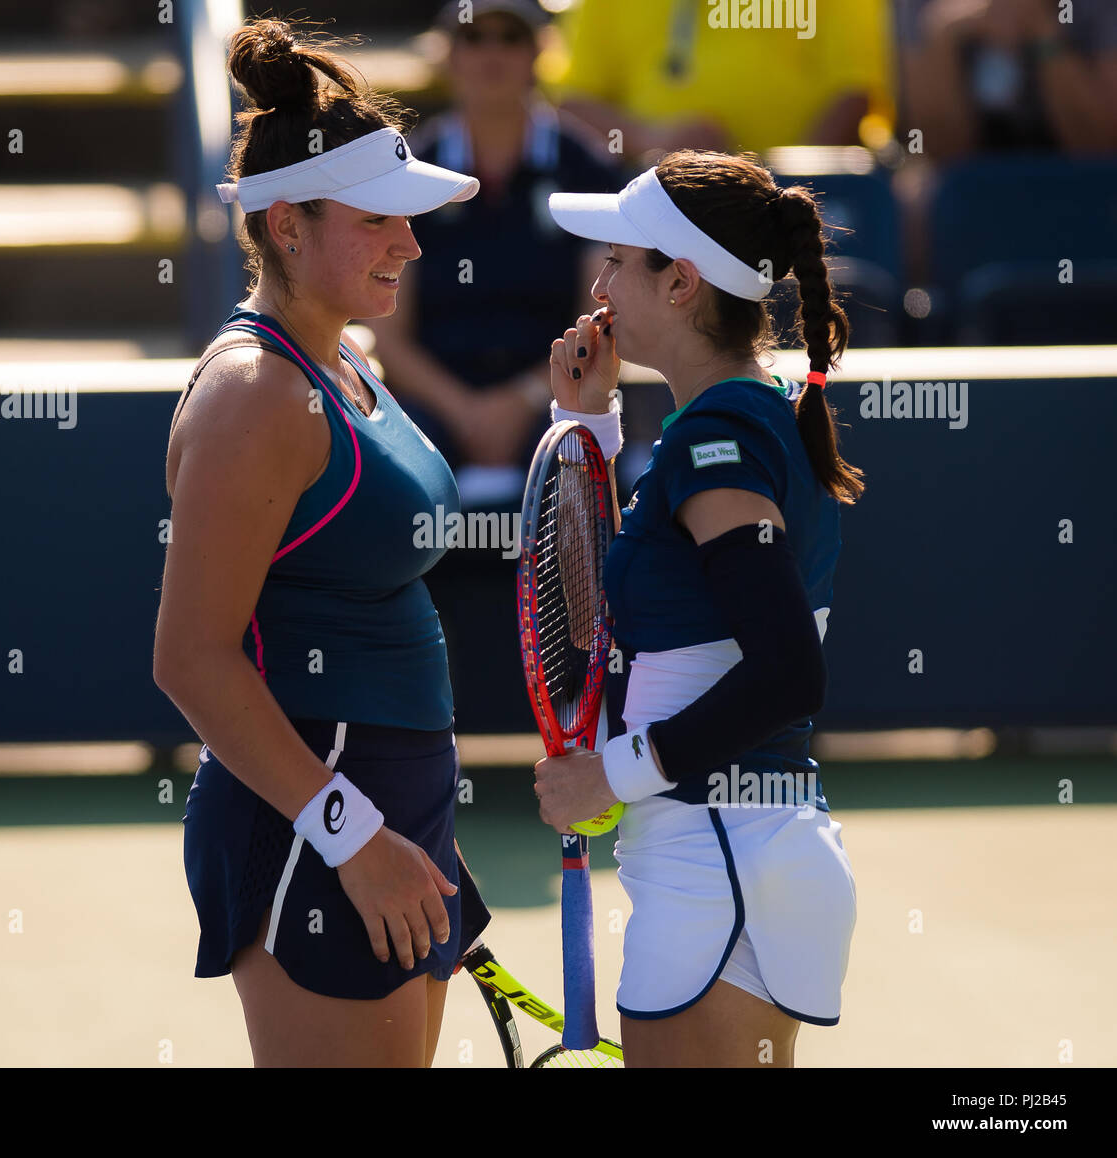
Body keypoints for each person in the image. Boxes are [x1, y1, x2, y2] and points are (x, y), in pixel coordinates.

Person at [153, 17, 490, 1068]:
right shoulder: (256, 395)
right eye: (377, 219)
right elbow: (190, 658)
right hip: (322, 815)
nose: (410, 244)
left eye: (407, 217)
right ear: (286, 227)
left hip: (385, 799)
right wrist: (348, 831)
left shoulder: (348, 360)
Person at [532, 150, 860, 1066]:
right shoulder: (749, 415)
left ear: (680, 283)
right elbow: (631, 612)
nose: (598, 286)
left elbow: (788, 674)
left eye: (617, 262)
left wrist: (612, 775)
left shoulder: (718, 438)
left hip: (717, 862)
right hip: (747, 852)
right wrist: (591, 426)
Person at [368, 0, 626, 510]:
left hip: (555, 400)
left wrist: (522, 402)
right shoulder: (413, 169)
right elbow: (389, 335)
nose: (492, 54)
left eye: (510, 37)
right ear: (449, 55)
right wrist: (463, 410)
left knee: (582, 474)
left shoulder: (587, 166)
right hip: (432, 411)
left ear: (539, 53)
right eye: (473, 37)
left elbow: (599, 316)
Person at [552, 0, 895, 160]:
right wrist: (650, 140)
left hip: (799, 213)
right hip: (659, 203)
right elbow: (572, 104)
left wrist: (781, 191)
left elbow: (855, 95)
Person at [897, 0, 1117, 157]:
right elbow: (939, 152)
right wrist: (945, 35)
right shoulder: (921, 7)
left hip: (1075, 187)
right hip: (973, 188)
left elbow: (1099, 147)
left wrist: (1043, 32)